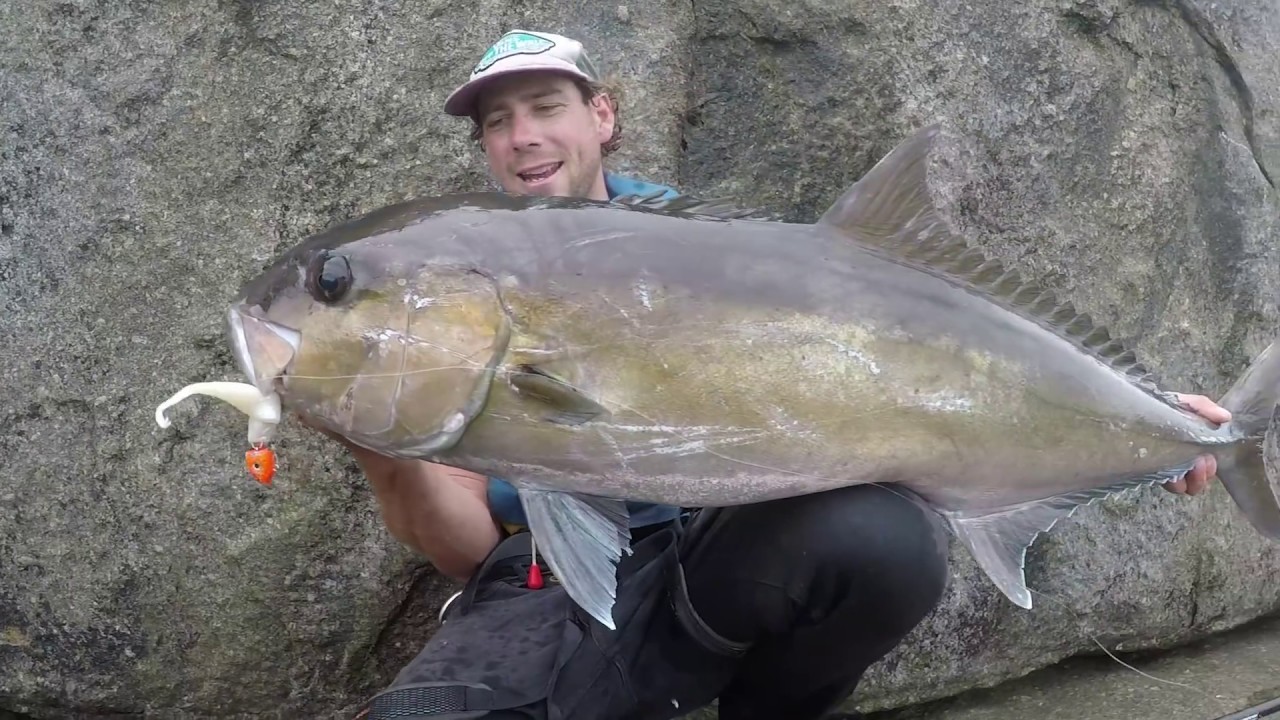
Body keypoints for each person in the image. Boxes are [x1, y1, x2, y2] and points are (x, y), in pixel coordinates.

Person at [342, 29, 1233, 720]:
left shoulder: (714, 247)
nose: (523, 136)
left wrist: (1151, 425)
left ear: (601, 116)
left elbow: (957, 367)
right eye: (497, 123)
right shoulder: (455, 281)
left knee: (885, 540)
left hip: (722, 561)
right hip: (547, 587)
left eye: (544, 107)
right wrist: (383, 452)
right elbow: (465, 547)